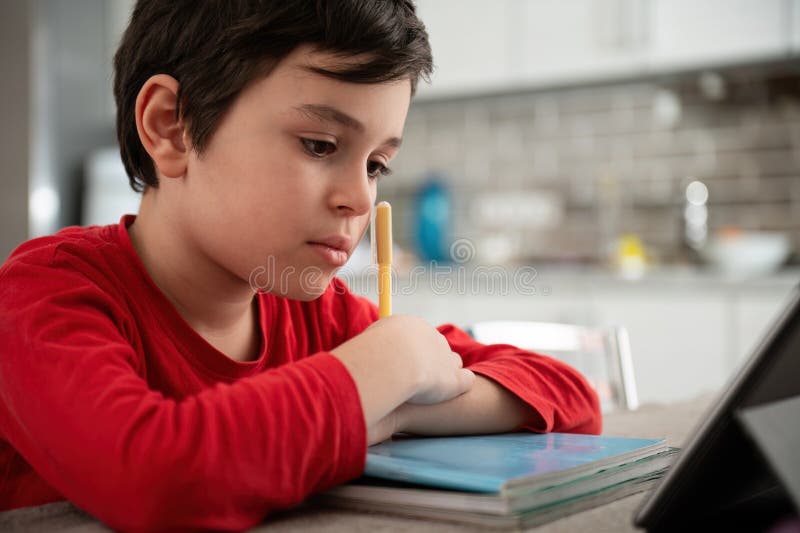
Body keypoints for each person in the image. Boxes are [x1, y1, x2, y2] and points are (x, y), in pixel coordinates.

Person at [0, 1, 601, 530]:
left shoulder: (319, 317)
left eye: (376, 165)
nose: (362, 199)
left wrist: (389, 402)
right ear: (172, 127)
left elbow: (570, 398)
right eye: (319, 145)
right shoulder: (46, 293)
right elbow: (156, 478)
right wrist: (378, 373)